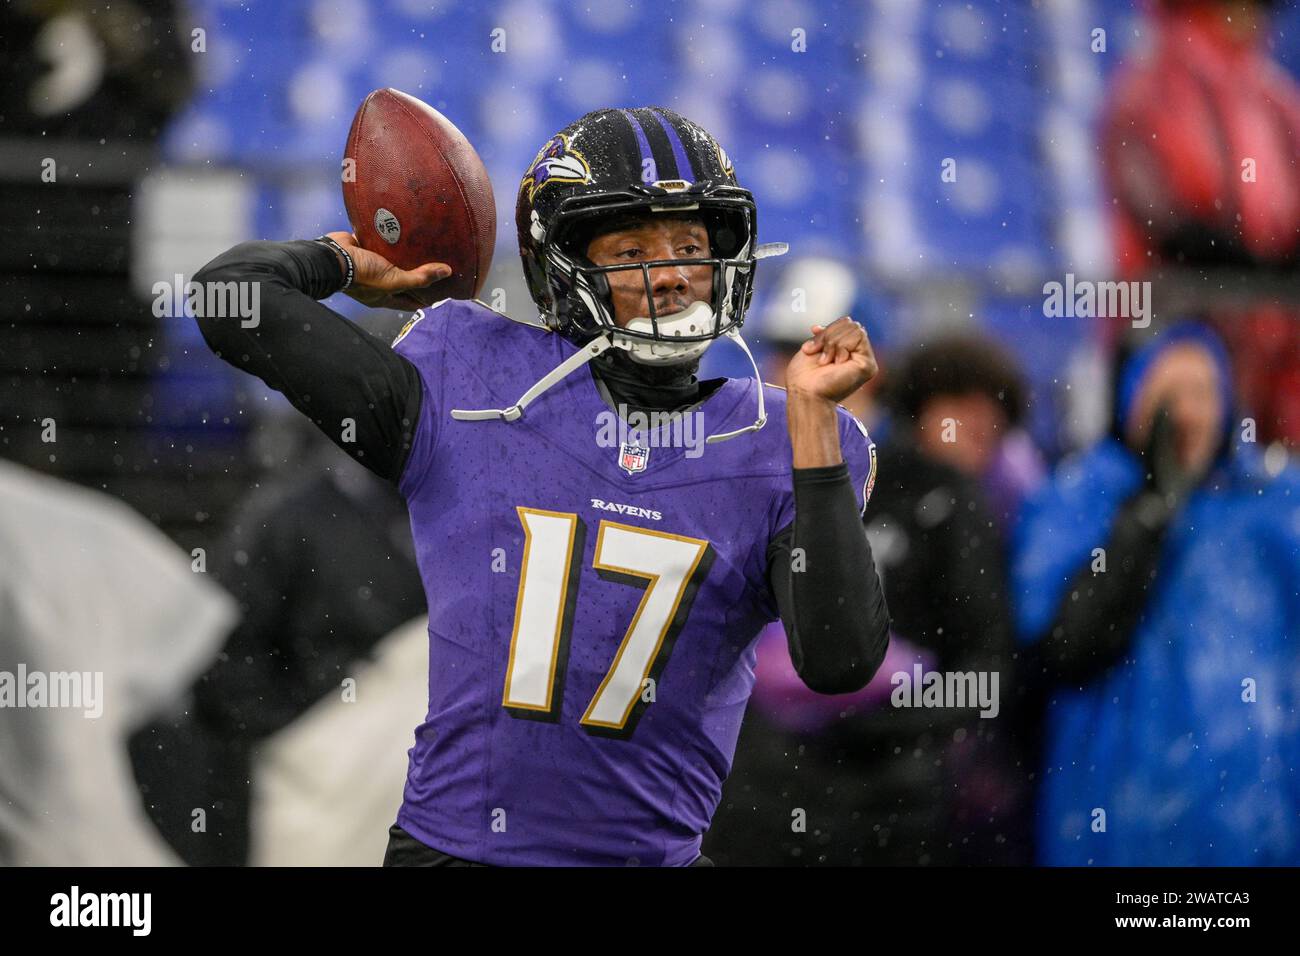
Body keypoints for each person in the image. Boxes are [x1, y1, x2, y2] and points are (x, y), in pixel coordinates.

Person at [192, 106, 891, 866]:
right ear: (565, 266)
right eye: (633, 249)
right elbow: (232, 298)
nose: (675, 274)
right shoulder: (467, 379)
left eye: (691, 244)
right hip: (457, 854)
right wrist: (349, 264)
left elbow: (839, 660)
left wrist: (817, 425)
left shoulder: (785, 434)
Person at [1012, 321, 1300, 865]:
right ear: (1131, 402)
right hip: (1116, 814)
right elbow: (1065, 646)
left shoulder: (1267, 506)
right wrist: (1150, 514)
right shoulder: (1081, 500)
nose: (1187, 414)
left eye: (1202, 392)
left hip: (1250, 819)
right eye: (1168, 395)